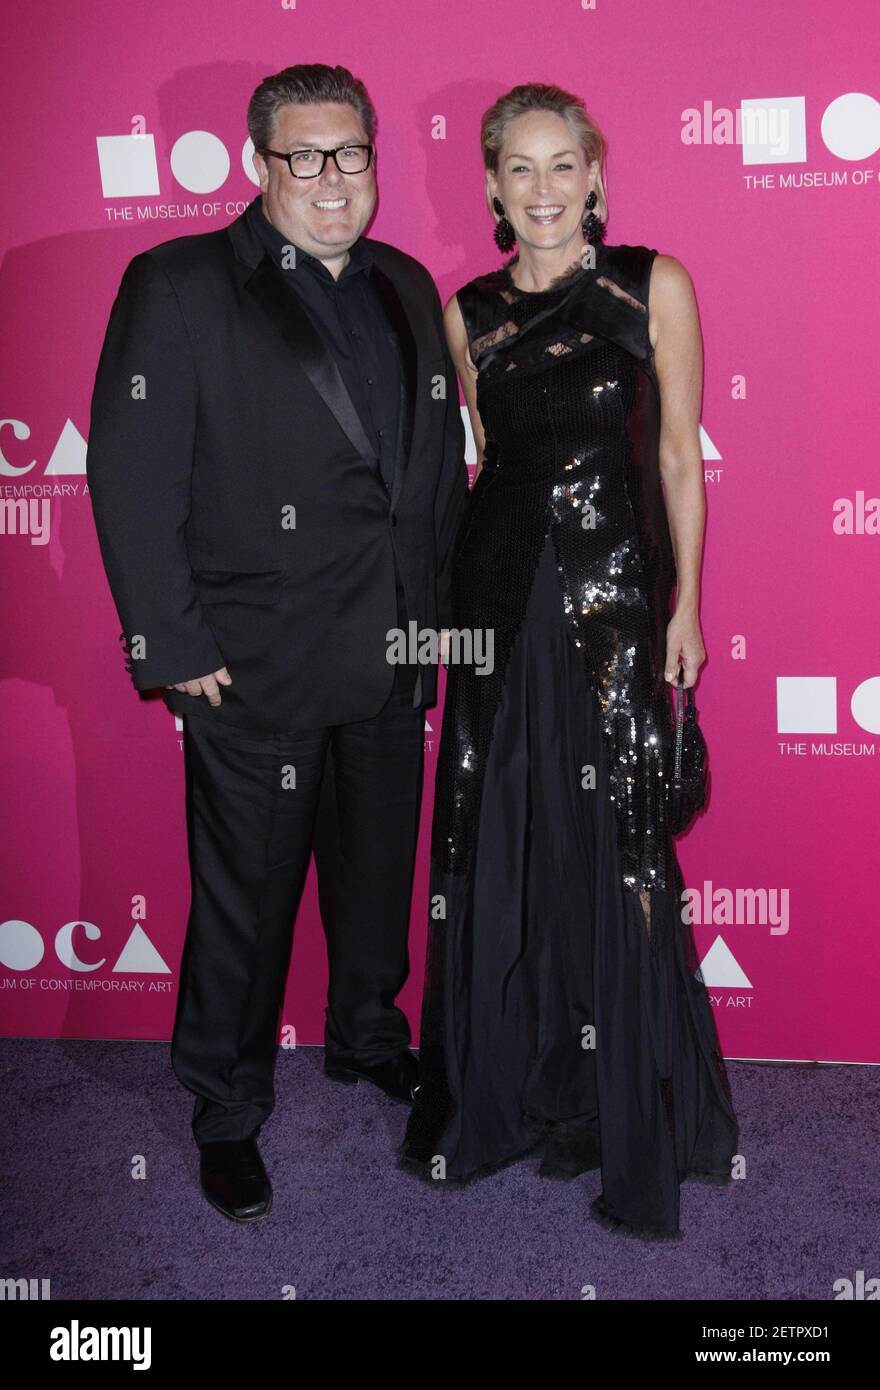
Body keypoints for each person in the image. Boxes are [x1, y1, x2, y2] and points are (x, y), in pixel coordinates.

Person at [87, 63, 469, 1223]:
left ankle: (365, 1036)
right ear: (259, 165)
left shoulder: (407, 283)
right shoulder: (181, 284)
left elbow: (421, 483)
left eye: (350, 152)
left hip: (394, 652)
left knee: (375, 877)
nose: (332, 178)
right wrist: (171, 640)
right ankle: (223, 1106)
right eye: (304, 156)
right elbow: (130, 472)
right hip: (249, 660)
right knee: (245, 902)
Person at [401, 83, 739, 1239]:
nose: (543, 191)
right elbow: (490, 462)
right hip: (497, 605)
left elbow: (679, 461)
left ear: (594, 174)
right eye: (520, 169)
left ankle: (630, 1106)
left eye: (563, 167)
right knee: (507, 834)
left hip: (615, 602)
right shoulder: (468, 310)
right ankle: (514, 1091)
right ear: (490, 184)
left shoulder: (654, 285)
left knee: (620, 838)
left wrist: (686, 603)